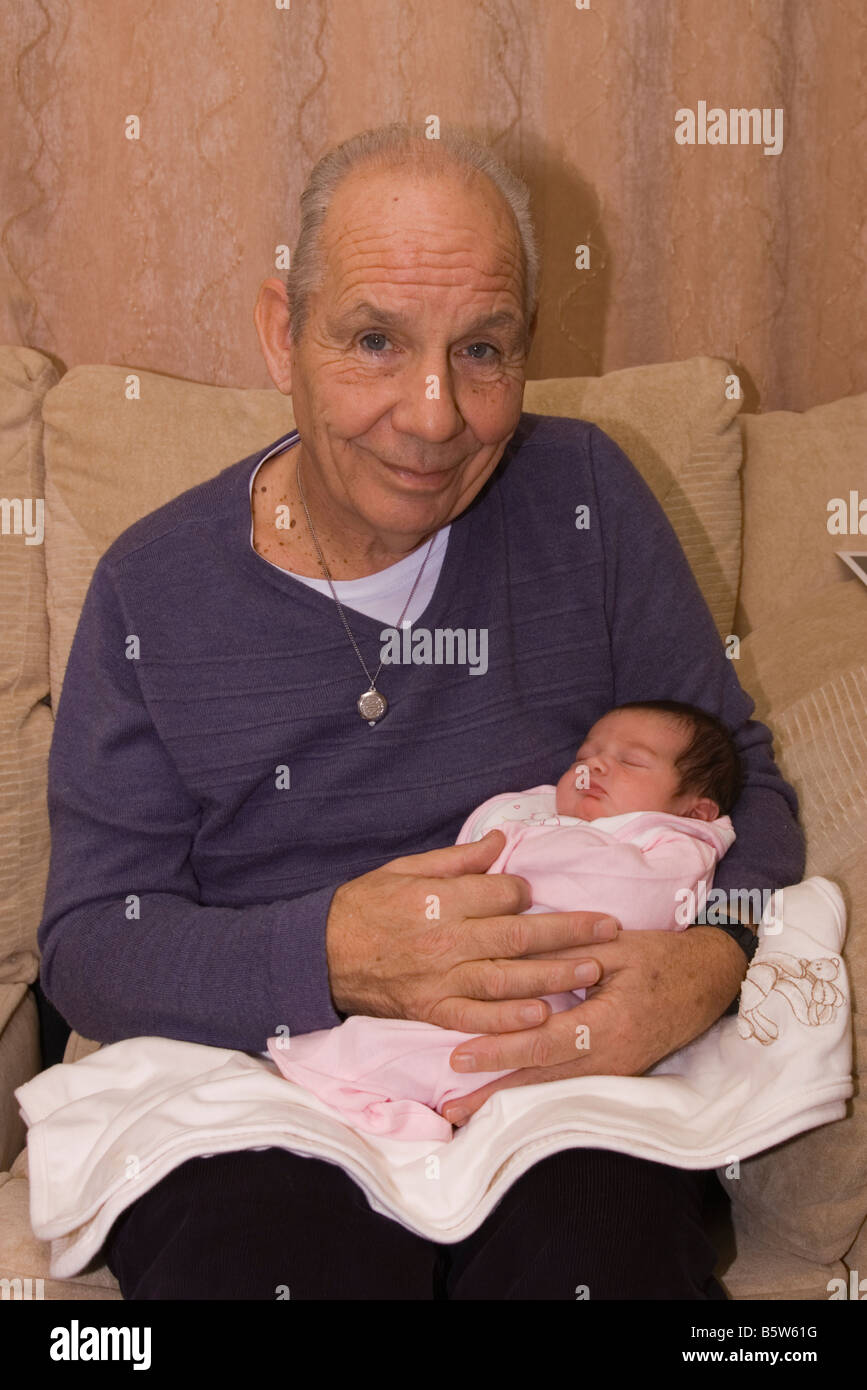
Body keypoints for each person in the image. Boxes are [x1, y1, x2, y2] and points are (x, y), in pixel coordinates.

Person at [37, 123, 805, 1299]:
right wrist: (331, 954)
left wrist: (712, 955)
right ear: (279, 330)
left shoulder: (586, 499)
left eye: (483, 350)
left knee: (601, 1259)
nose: (435, 413)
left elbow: (742, 777)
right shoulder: (153, 588)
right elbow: (91, 942)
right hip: (269, 1087)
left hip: (560, 1080)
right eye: (375, 341)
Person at [267, 699, 742, 1139]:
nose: (593, 765)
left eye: (632, 761)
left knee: (423, 1054)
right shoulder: (537, 815)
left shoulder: (673, 844)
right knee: (382, 1039)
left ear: (695, 809)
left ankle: (385, 1113)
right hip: (451, 965)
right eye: (583, 756)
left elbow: (637, 901)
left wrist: (521, 855)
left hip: (549, 994)